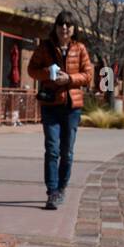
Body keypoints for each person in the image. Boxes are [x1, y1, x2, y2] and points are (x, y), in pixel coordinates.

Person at [27, 11, 94, 210]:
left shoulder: (80, 48)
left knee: (68, 152)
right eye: (60, 24)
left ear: (73, 29)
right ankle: (52, 191)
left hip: (72, 108)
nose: (64, 28)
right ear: (55, 27)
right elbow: (31, 70)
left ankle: (62, 187)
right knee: (52, 149)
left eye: (68, 25)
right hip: (51, 106)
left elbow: (89, 75)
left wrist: (70, 79)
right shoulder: (45, 47)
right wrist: (48, 72)